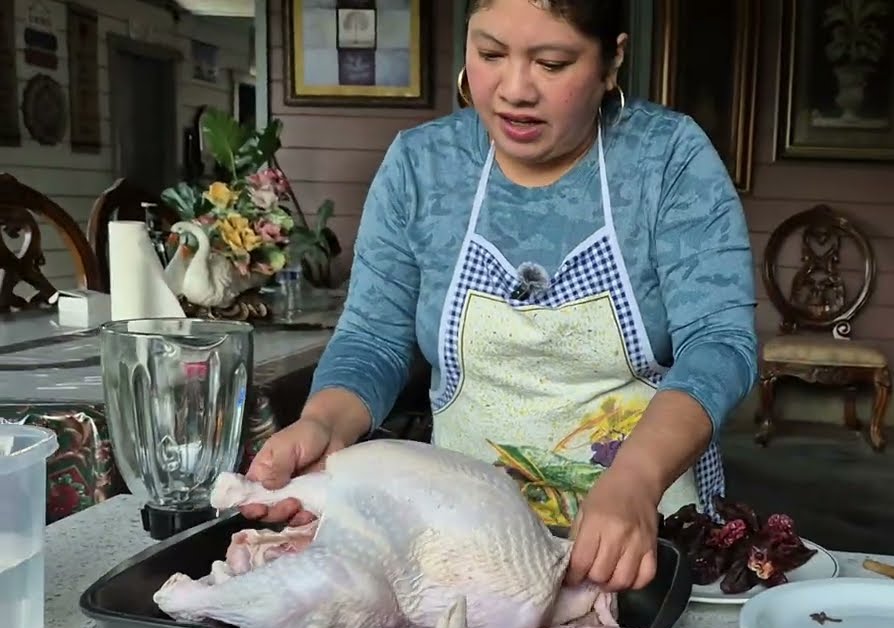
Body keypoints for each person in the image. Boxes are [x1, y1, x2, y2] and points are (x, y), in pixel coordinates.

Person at [240, 0, 758, 593]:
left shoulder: (665, 160)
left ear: (611, 60)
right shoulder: (422, 167)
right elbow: (373, 338)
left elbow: (719, 343)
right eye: (489, 54)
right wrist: (325, 425)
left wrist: (636, 478)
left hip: (645, 534)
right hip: (458, 539)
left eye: (552, 63)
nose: (514, 90)